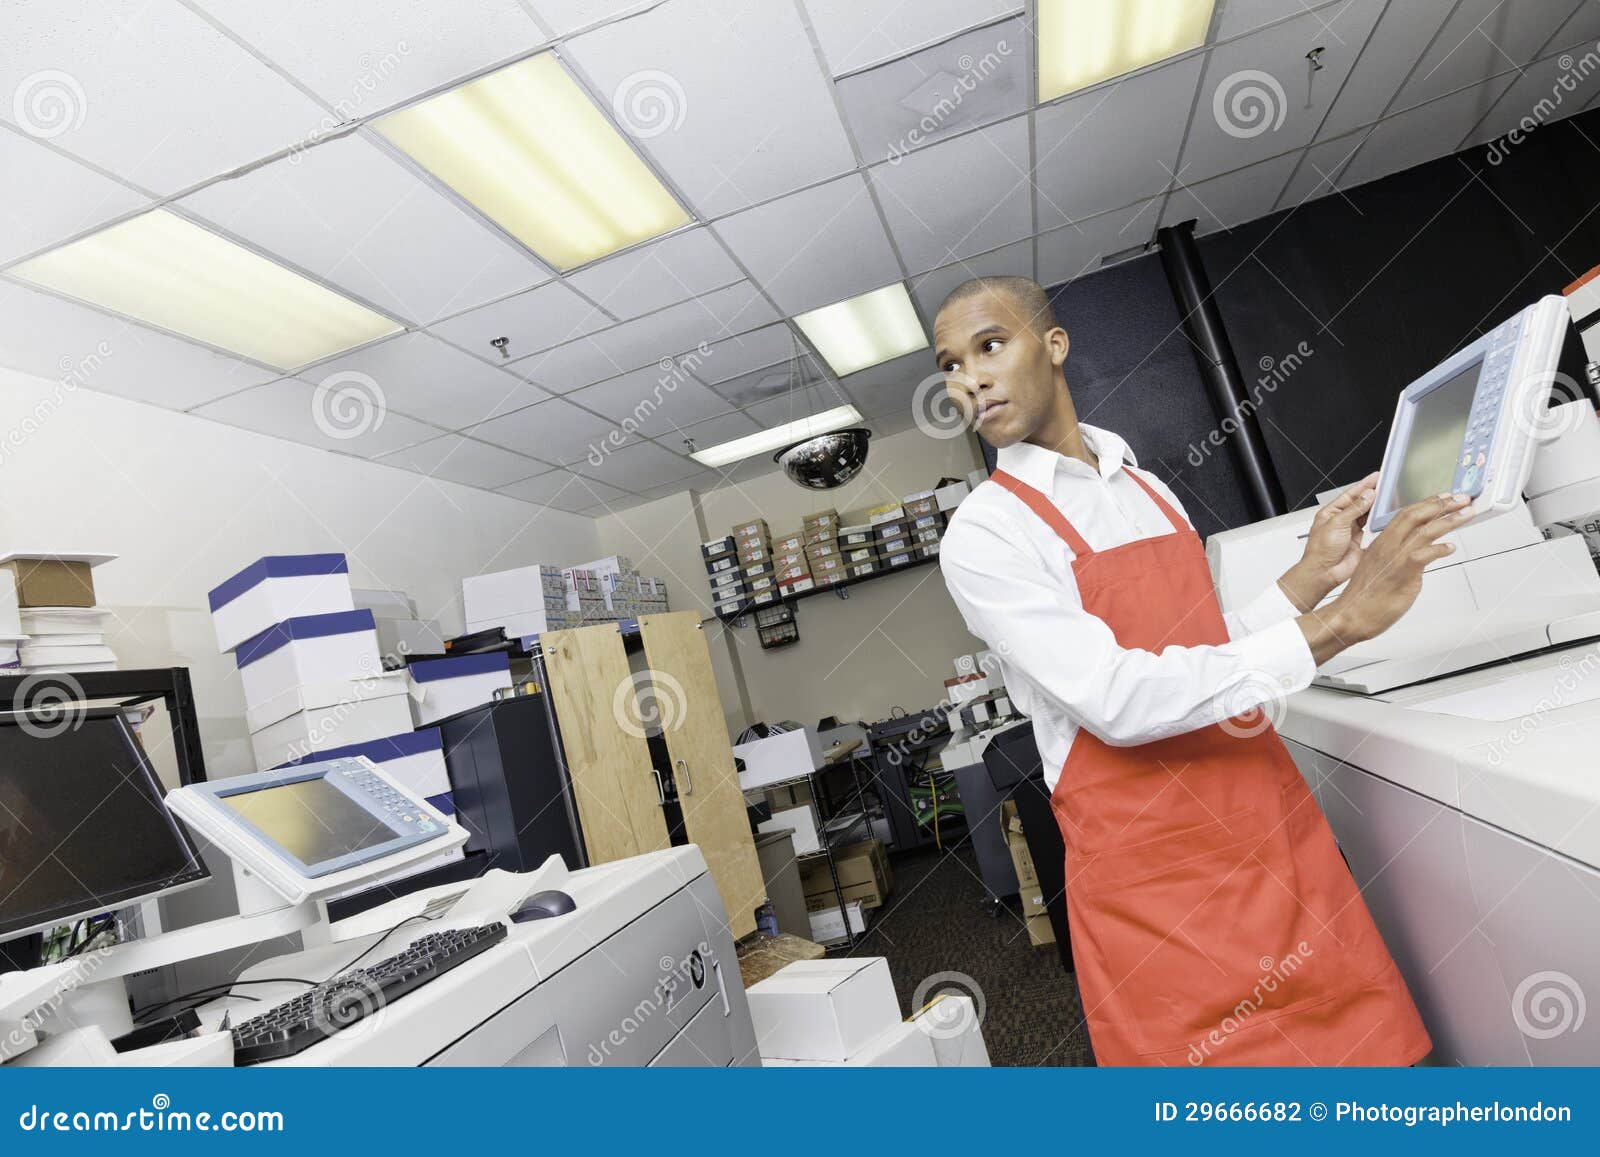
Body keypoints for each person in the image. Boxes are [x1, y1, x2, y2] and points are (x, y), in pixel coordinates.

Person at [935, 276, 1457, 1067]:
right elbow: (1122, 696)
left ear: (1054, 344)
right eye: (949, 364)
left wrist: (1311, 579)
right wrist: (1339, 622)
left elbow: (1203, 648)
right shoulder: (985, 535)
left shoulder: (1147, 487)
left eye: (989, 344)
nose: (967, 378)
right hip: (1160, 897)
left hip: (1268, 843)